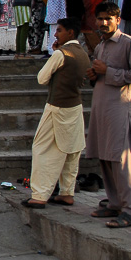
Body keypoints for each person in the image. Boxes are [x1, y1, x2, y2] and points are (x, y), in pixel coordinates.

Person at [85, 1, 131, 228]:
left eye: (107, 19)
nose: (102, 23)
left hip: (120, 110)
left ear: (117, 20)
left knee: (122, 159)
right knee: (105, 156)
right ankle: (115, 203)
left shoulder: (129, 44)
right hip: (102, 109)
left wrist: (108, 72)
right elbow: (102, 75)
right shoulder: (101, 46)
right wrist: (95, 74)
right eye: (99, 19)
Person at [21, 17, 90, 209]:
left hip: (57, 107)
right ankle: (67, 193)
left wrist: (55, 53)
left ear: (70, 33)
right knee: (71, 151)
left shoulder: (62, 54)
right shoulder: (83, 54)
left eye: (59, 30)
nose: (56, 33)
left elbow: (42, 78)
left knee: (43, 150)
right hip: (75, 107)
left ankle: (40, 195)